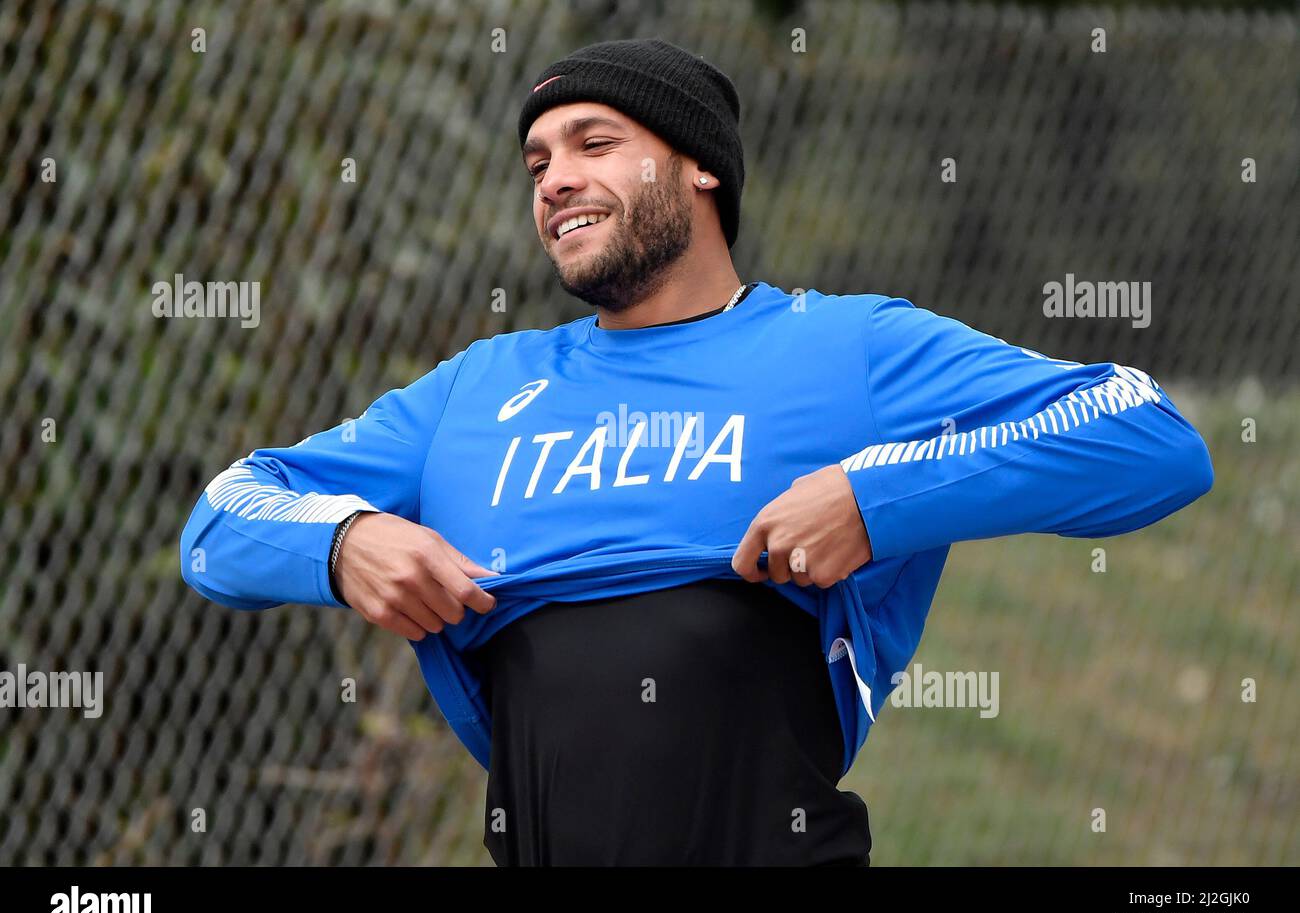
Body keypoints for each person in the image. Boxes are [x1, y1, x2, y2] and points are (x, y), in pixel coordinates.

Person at [180, 38, 1214, 866]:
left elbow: (1146, 434)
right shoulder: (480, 387)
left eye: (592, 143)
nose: (552, 180)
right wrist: (344, 539)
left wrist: (872, 495)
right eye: (536, 162)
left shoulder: (841, 345)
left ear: (698, 162)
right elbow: (223, 515)